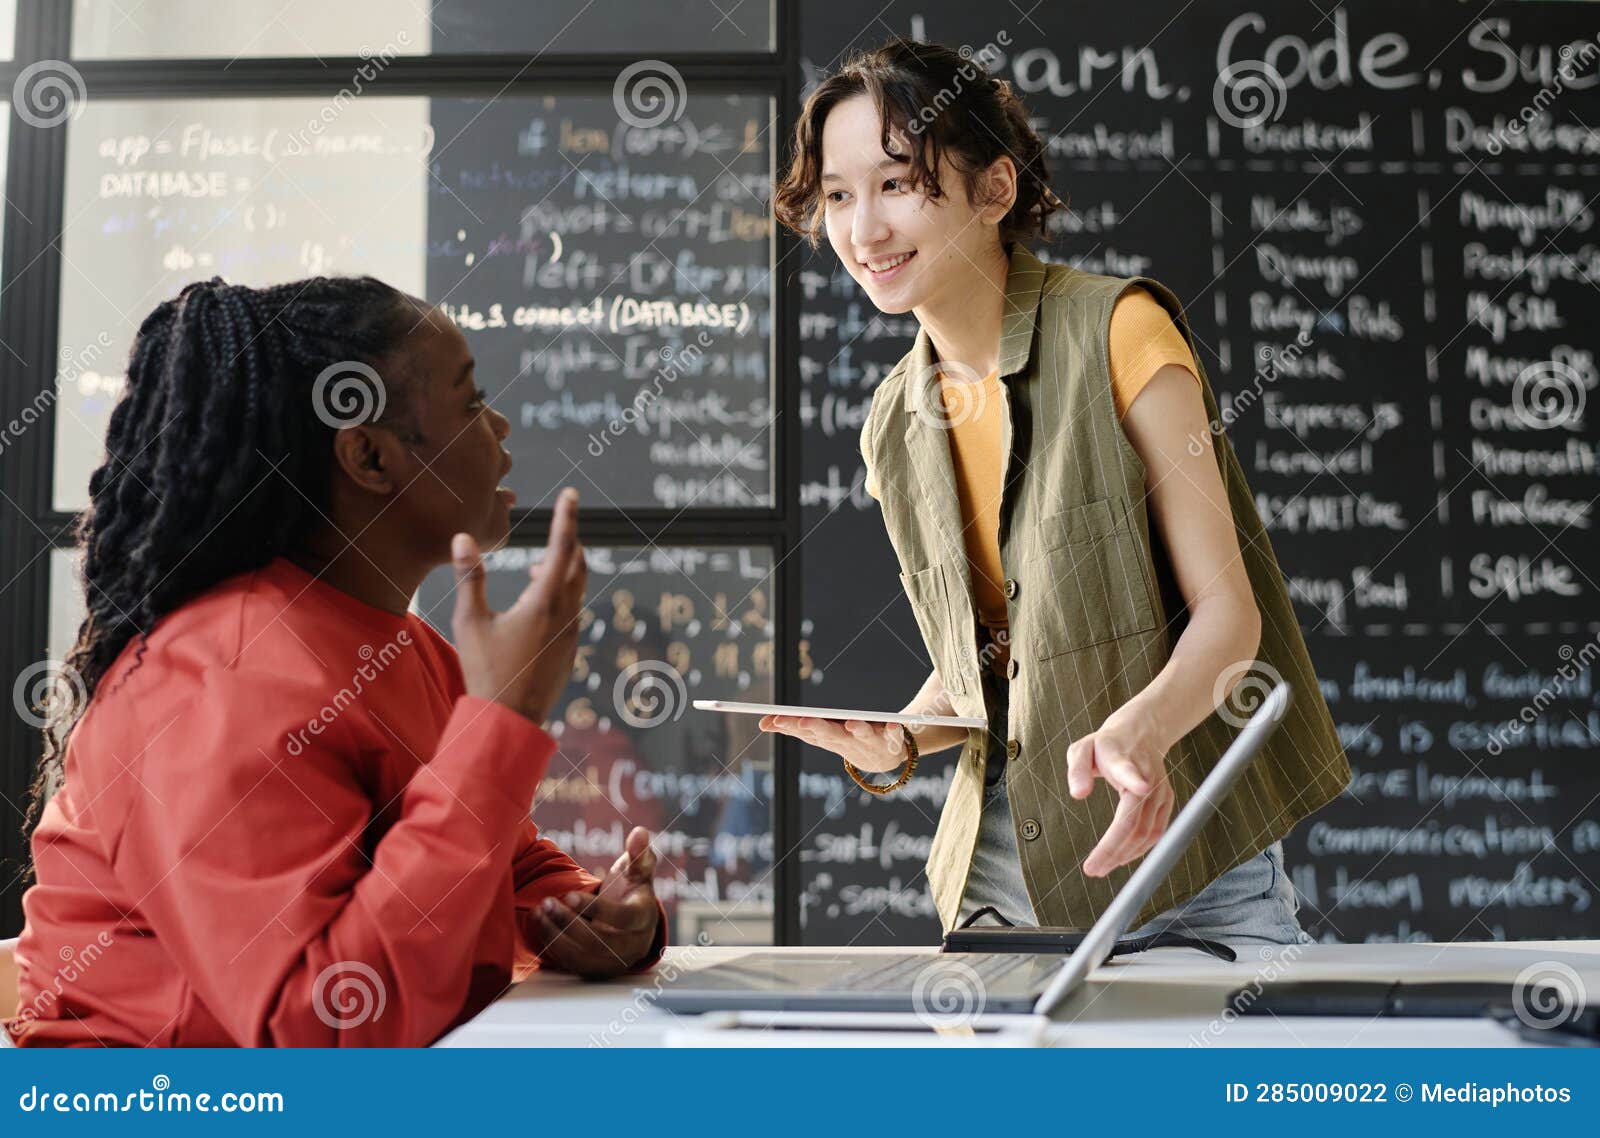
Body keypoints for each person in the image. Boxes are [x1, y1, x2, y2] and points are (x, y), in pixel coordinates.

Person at [768, 38, 1350, 943]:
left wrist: (1143, 731)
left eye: (896, 183)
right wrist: (902, 737)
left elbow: (1230, 616)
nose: (863, 230)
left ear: (995, 190)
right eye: (838, 197)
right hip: (998, 890)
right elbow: (995, 668)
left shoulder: (1122, 331)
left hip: (1187, 879)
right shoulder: (893, 422)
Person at [4, 276, 664, 1047]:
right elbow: (319, 1029)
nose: (502, 427)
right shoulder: (221, 675)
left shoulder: (406, 649)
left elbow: (498, 867)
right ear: (370, 457)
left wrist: (588, 913)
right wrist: (503, 719)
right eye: (471, 402)